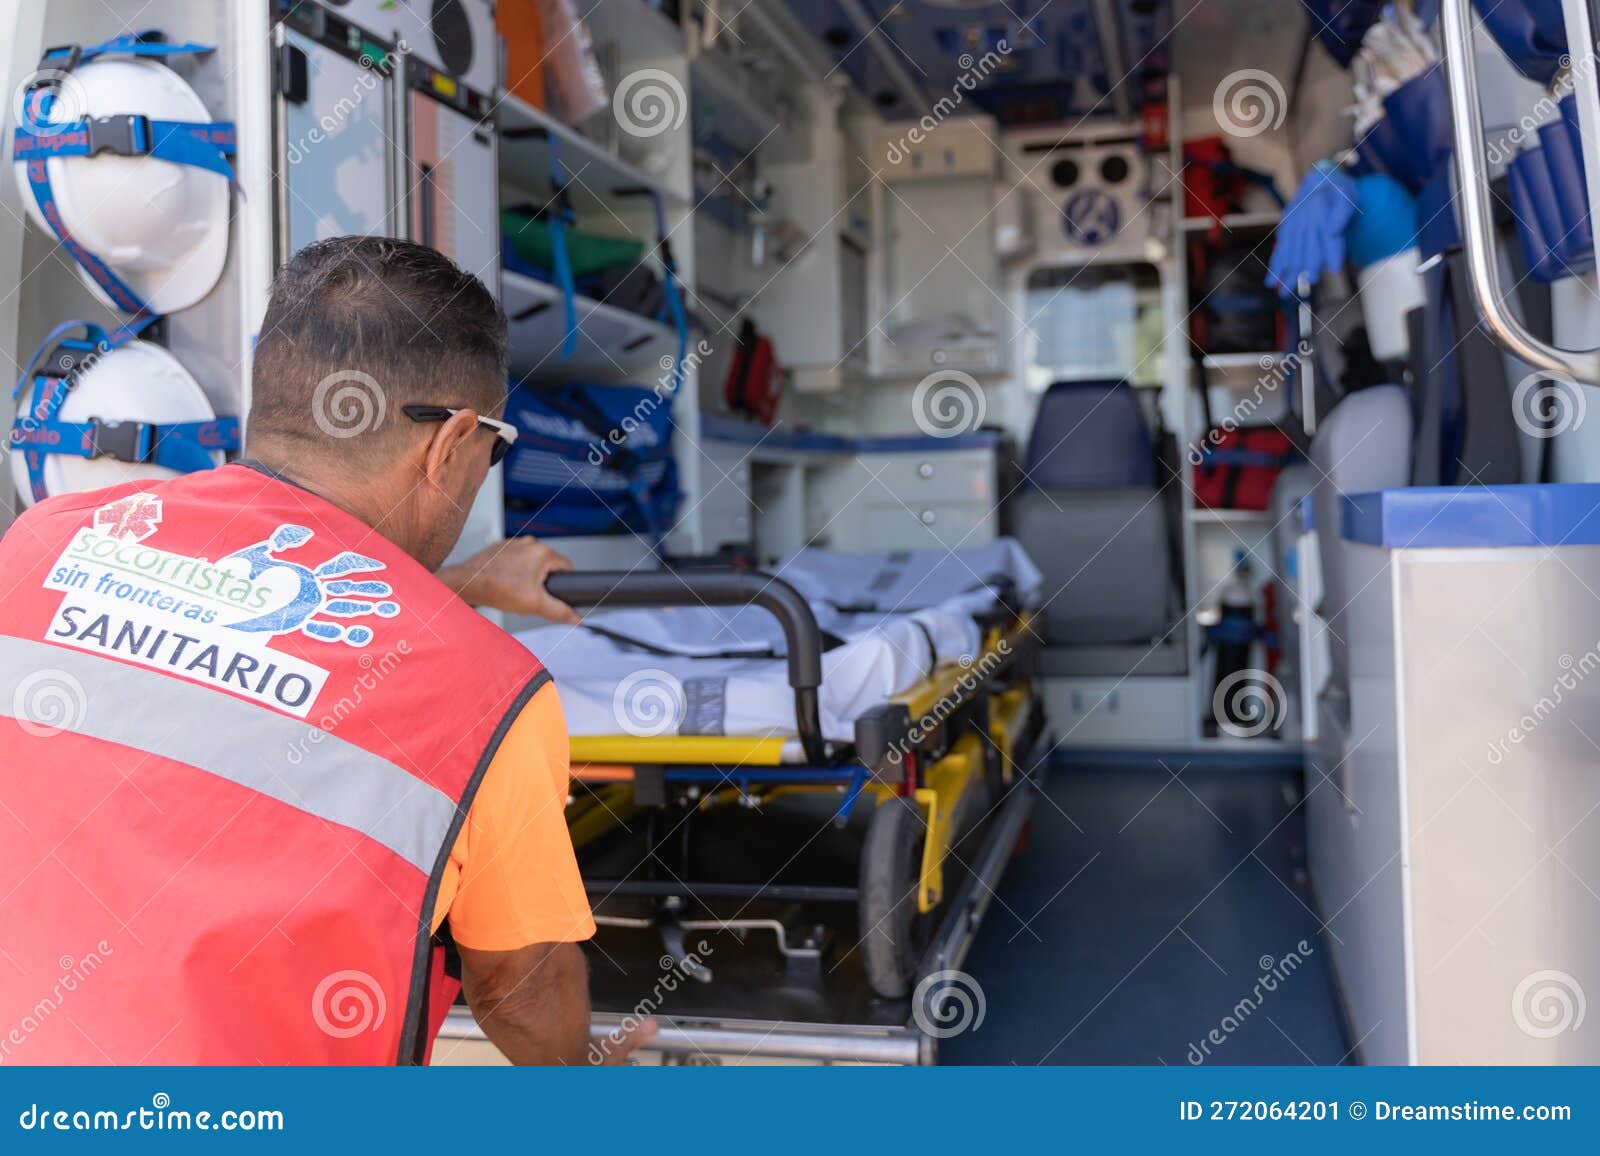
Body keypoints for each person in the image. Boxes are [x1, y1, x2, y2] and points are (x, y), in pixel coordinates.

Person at [0, 236, 652, 1065]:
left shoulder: (39, 547)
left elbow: (242, 614)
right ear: (450, 444)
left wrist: (466, 582)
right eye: (497, 444)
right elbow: (520, 993)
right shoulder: (492, 695)